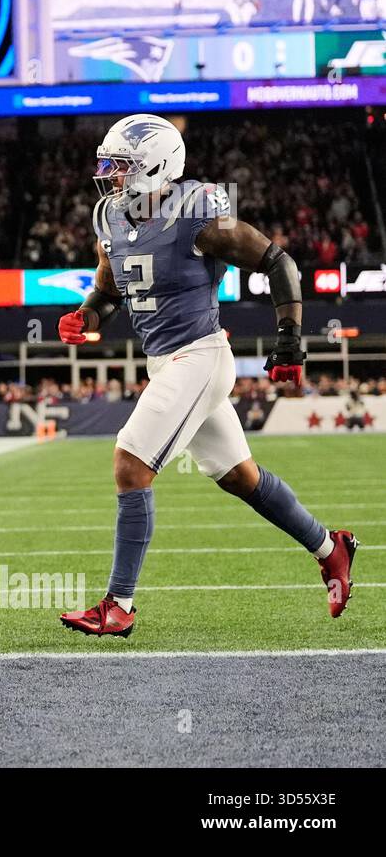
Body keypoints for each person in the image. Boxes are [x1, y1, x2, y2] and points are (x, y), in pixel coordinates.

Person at [56, 113, 356, 636]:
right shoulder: (109, 215)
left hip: (197, 355)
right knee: (242, 478)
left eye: (122, 165)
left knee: (131, 463)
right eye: (109, 165)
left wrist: (290, 338)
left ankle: (119, 605)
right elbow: (110, 288)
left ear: (156, 164)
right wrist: (88, 315)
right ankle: (332, 549)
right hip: (167, 360)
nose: (110, 175)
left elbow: (279, 263)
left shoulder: (196, 211)